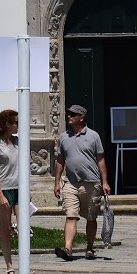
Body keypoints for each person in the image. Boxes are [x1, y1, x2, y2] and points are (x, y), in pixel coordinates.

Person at [52, 104, 110, 261]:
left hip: (91, 183)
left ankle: (90, 248)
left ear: (81, 118)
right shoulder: (63, 137)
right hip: (70, 183)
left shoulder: (93, 136)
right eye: (68, 114)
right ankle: (68, 249)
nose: (69, 116)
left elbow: (101, 160)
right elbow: (60, 161)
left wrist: (105, 182)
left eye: (73, 114)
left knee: (91, 217)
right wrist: (57, 182)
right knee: (70, 215)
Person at [0, 109, 35, 274]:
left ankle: (25, 265)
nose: (18, 125)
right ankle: (9, 267)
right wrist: (0, 194)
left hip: (20, 188)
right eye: (16, 122)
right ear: (7, 124)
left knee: (23, 228)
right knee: (6, 229)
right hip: (5, 189)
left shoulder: (20, 142)